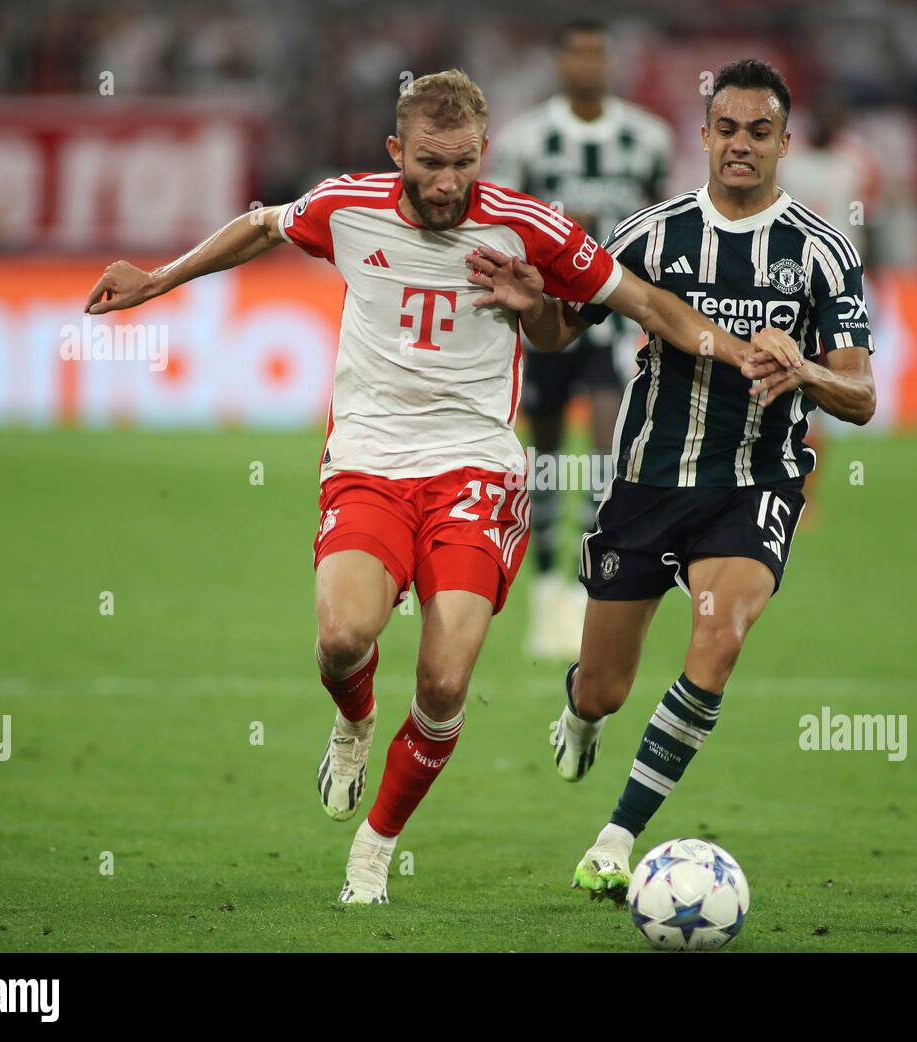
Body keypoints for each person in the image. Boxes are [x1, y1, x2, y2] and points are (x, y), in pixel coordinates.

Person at [85, 68, 787, 905]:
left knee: (446, 683)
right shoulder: (347, 206)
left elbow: (642, 302)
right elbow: (260, 226)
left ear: (484, 152)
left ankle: (374, 852)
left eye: (463, 163)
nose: (448, 183)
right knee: (344, 637)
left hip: (475, 470)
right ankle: (352, 723)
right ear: (397, 153)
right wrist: (160, 279)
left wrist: (732, 351)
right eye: (429, 164)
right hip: (370, 464)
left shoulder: (530, 227)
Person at [466, 59, 877, 902]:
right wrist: (528, 303)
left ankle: (616, 839)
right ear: (704, 137)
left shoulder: (824, 253)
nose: (741, 145)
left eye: (759, 132)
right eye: (727, 129)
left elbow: (862, 395)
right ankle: (579, 713)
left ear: (785, 143)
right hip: (647, 483)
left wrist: (804, 372)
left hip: (755, 485)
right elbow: (560, 334)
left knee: (717, 642)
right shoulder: (649, 234)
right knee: (606, 685)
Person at [489, 19, 674, 659]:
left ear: (610, 61)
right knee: (540, 454)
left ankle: (577, 589)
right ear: (560, 61)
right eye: (578, 54)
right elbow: (502, 225)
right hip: (543, 318)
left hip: (612, 320)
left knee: (603, 446)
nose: (589, 66)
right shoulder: (525, 140)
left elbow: (661, 227)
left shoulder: (647, 139)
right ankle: (542, 588)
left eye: (599, 55)